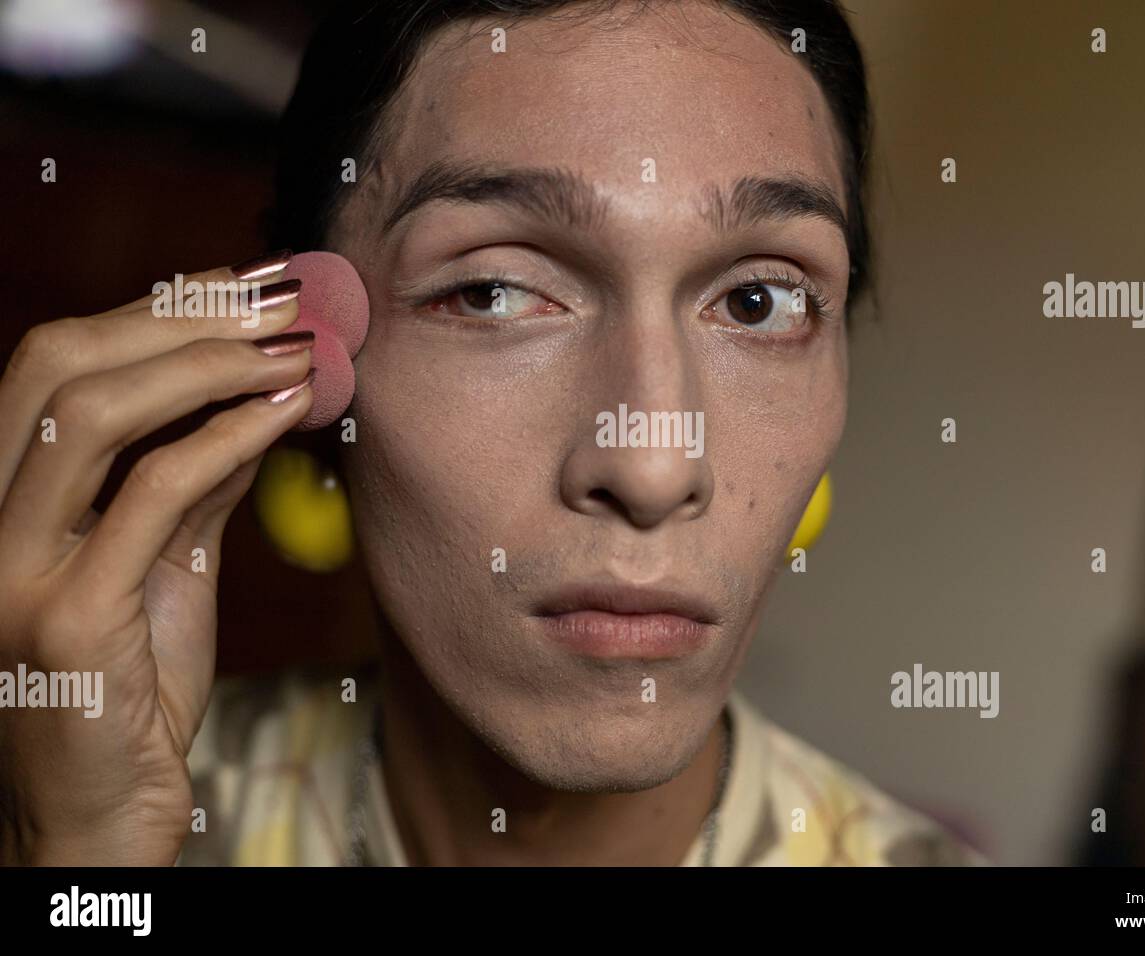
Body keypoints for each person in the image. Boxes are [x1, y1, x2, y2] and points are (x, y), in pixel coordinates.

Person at [0, 0, 980, 866]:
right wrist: (88, 854)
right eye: (492, 291)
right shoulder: (94, 810)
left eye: (759, 302)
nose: (651, 463)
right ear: (299, 348)